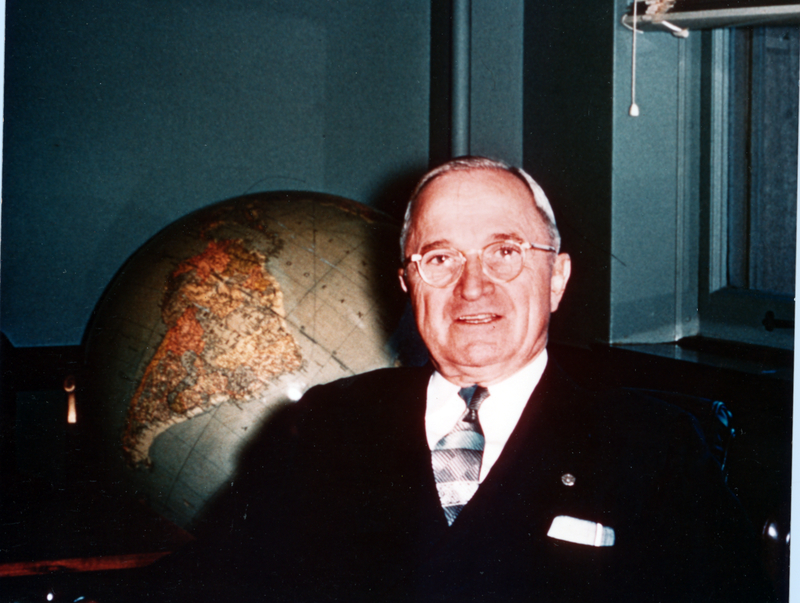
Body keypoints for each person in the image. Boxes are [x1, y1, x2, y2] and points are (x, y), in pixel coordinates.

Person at [142, 157, 771, 602]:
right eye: (440, 258)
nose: (473, 287)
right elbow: (213, 583)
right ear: (407, 285)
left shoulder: (654, 444)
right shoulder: (326, 426)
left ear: (556, 278)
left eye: (505, 253)